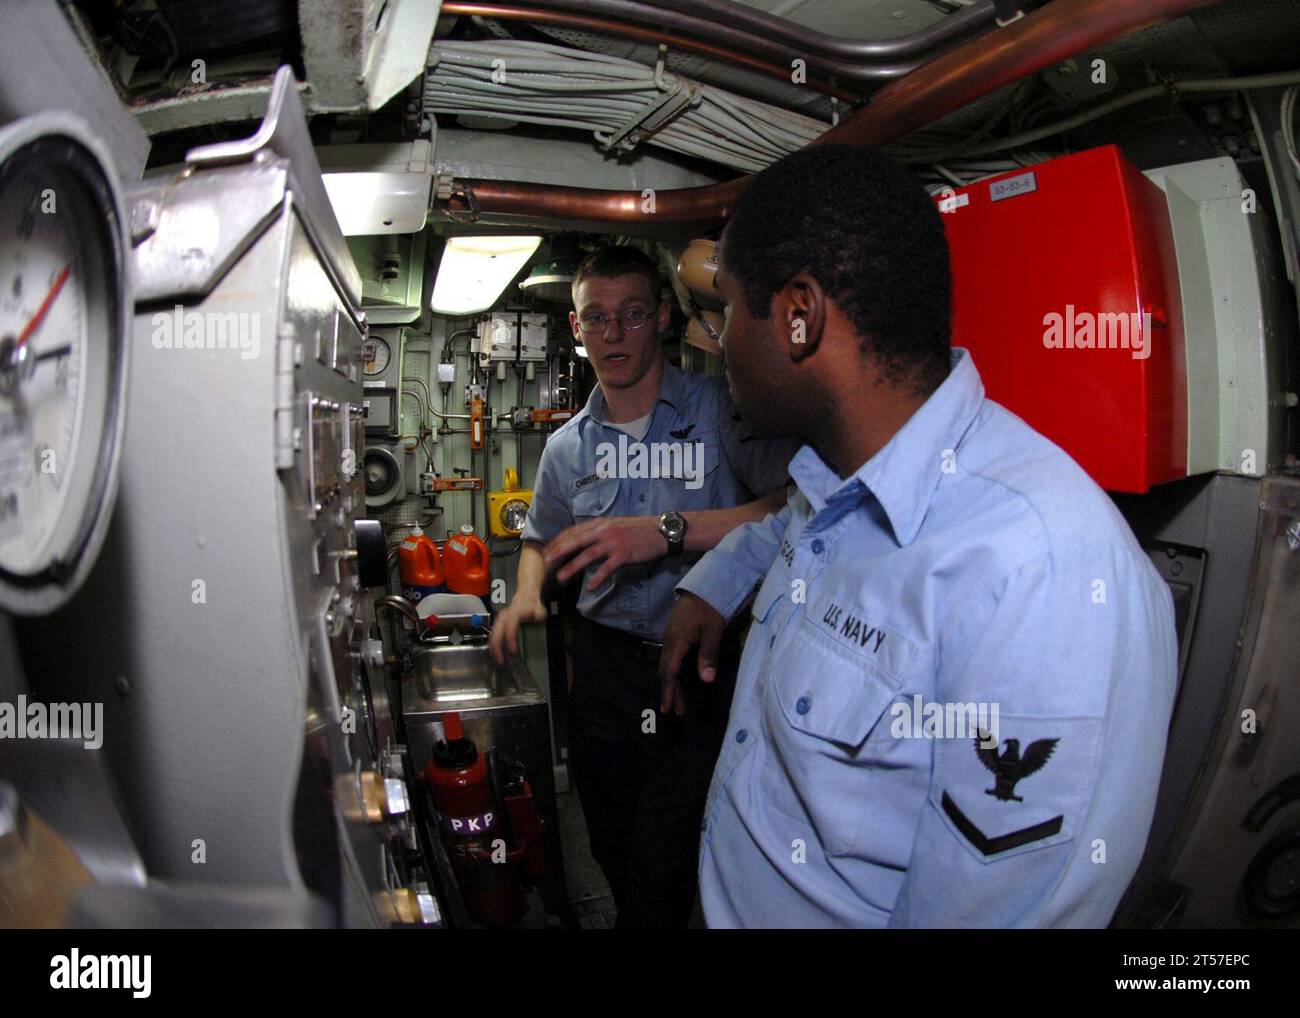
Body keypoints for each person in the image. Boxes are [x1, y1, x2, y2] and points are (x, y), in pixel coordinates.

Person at [659, 144, 1178, 928]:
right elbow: (789, 532)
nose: (720, 340)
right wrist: (713, 584)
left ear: (799, 316)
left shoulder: (1040, 571)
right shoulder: (836, 478)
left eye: (728, 308)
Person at [488, 245, 797, 928]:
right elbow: (538, 536)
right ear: (576, 329)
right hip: (598, 665)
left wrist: (669, 527)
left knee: (666, 849)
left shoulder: (719, 410)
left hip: (692, 664)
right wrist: (525, 593)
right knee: (605, 828)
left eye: (631, 315)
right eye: (596, 318)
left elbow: (794, 502)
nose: (614, 333)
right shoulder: (569, 446)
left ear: (660, 316)